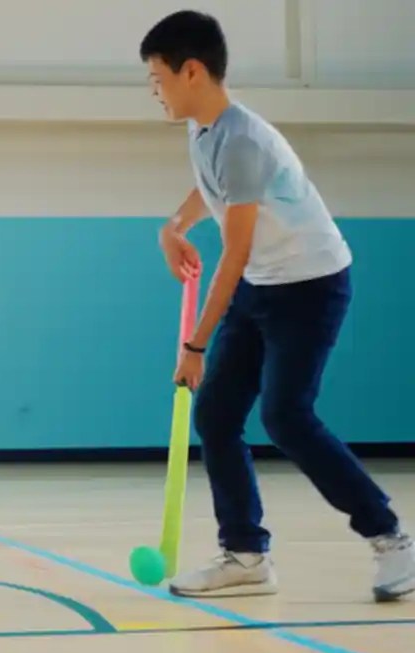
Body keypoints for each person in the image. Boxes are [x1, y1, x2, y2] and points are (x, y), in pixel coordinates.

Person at [140, 10, 414, 601]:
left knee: (287, 416)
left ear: (192, 71)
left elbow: (232, 257)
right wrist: (173, 225)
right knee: (216, 416)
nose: (153, 91)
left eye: (157, 78)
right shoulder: (205, 130)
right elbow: (209, 190)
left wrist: (195, 346)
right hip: (265, 284)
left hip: (311, 285)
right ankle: (245, 555)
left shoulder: (243, 140)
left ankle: (392, 539)